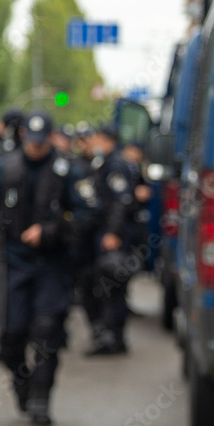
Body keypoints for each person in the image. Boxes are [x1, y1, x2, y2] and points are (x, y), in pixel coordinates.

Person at [0, 111, 96, 426]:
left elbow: (85, 215)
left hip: (52, 264)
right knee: (10, 336)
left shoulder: (67, 170)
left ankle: (41, 399)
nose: (35, 148)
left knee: (46, 331)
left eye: (41, 143)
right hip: (14, 263)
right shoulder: (5, 168)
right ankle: (22, 384)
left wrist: (50, 230)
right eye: (31, 141)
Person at [82, 125, 139, 356]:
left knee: (112, 288)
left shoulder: (115, 165)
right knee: (104, 287)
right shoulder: (105, 162)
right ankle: (110, 335)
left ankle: (114, 339)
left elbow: (121, 201)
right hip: (104, 233)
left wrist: (113, 232)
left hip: (113, 236)